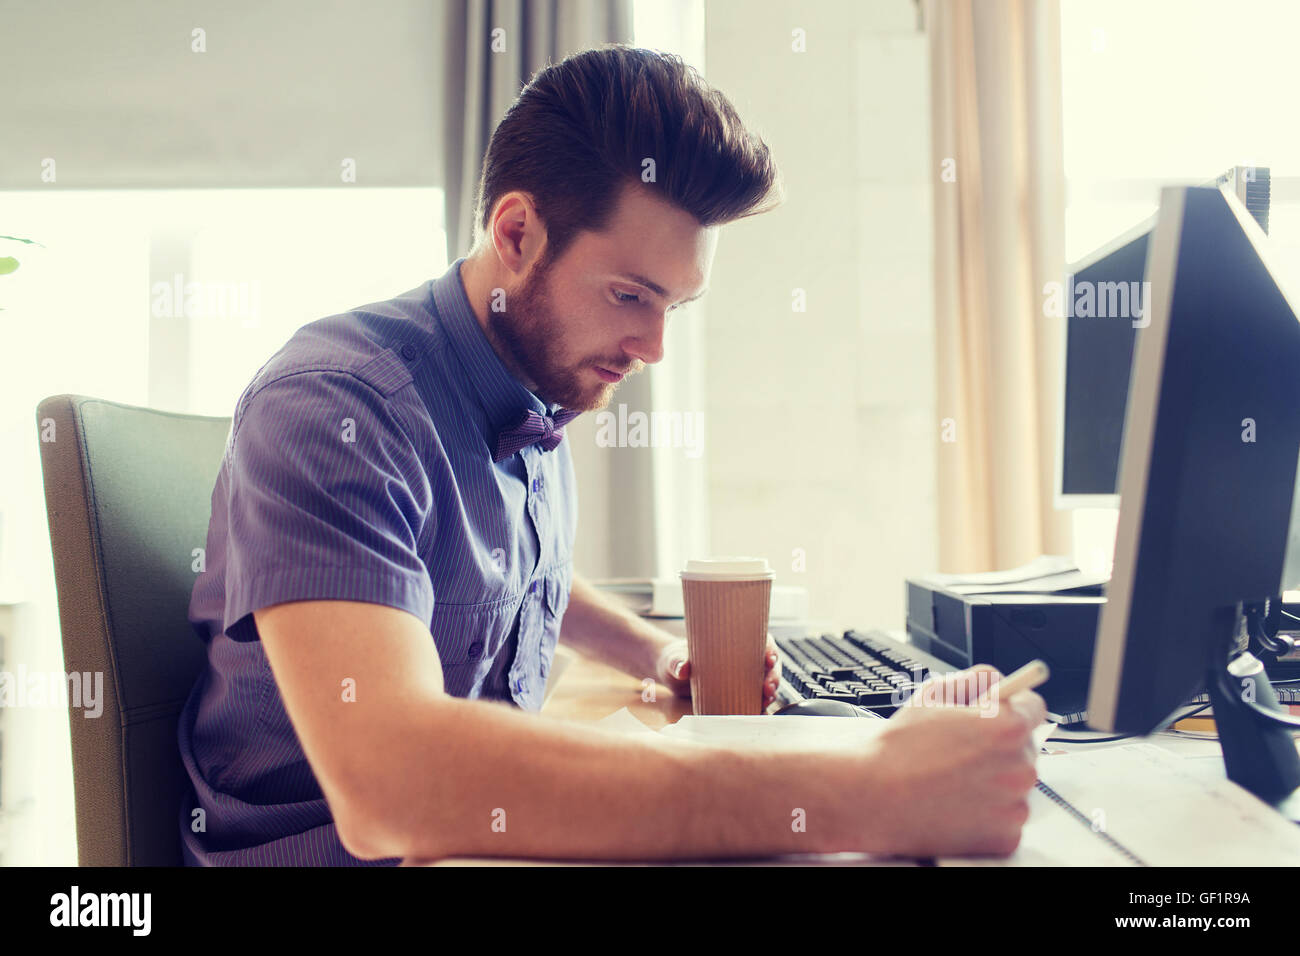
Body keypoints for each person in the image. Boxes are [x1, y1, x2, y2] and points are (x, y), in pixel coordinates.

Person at [177, 44, 1044, 865]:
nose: (653, 346)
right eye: (631, 293)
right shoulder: (338, 407)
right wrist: (864, 789)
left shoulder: (526, 384)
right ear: (515, 232)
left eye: (676, 305)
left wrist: (656, 654)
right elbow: (388, 787)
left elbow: (500, 579)